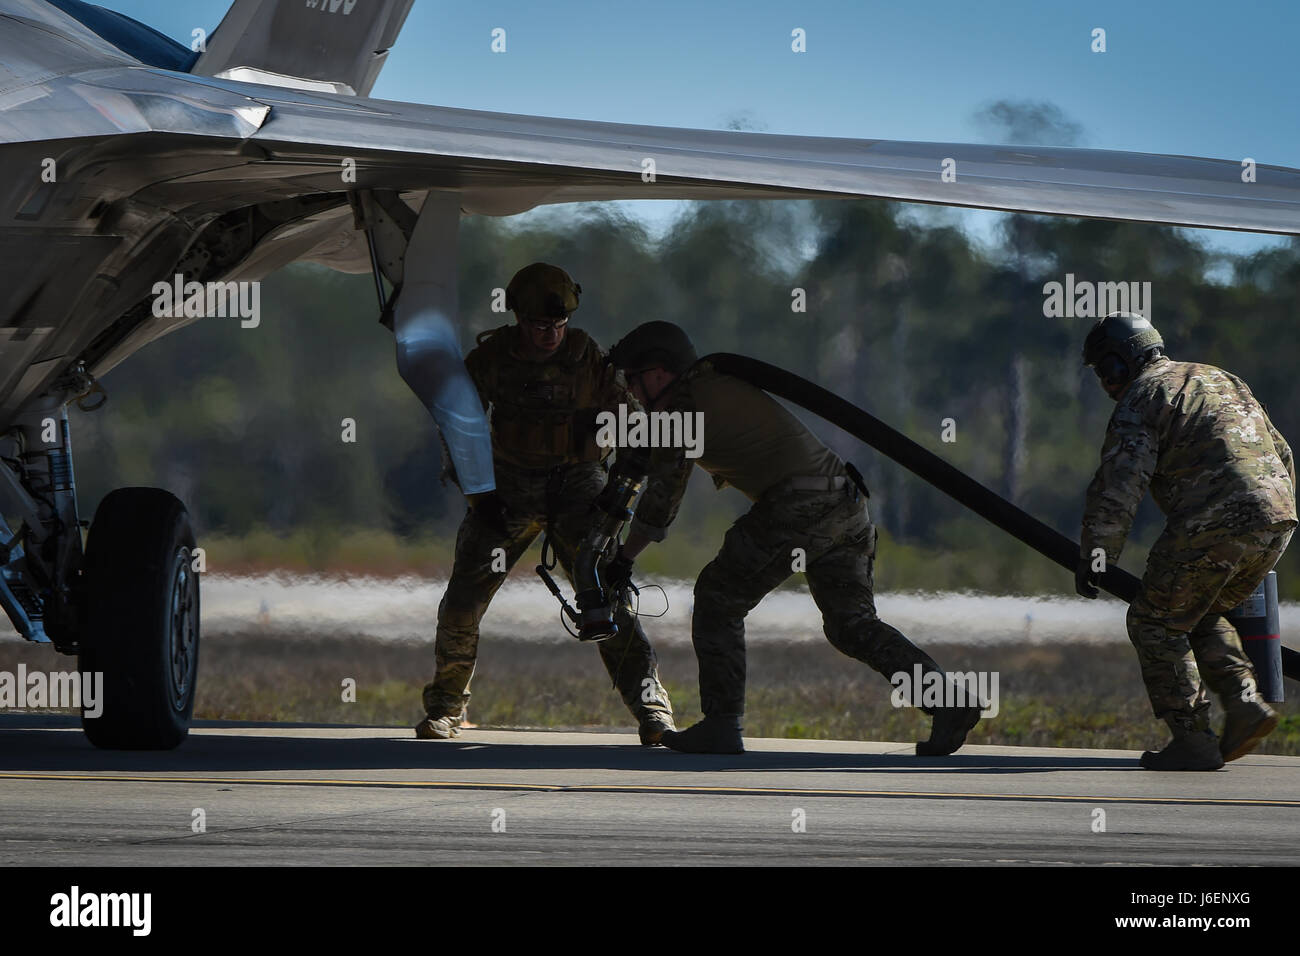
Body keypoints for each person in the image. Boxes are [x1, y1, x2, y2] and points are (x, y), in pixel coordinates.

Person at [606, 320, 983, 754]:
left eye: (634, 382)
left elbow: (660, 504)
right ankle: (949, 702)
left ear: (658, 374)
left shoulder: (684, 408)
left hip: (800, 506)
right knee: (851, 625)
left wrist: (622, 559)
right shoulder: (710, 388)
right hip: (846, 500)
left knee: (717, 598)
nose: (632, 394)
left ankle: (722, 724)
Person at [415, 263, 674, 743]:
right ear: (517, 317)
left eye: (558, 326)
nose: (550, 335)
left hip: (577, 487)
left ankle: (652, 710)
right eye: (538, 326)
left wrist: (620, 488)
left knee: (607, 600)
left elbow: (635, 425)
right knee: (461, 605)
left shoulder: (589, 359)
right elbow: (457, 421)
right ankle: (447, 708)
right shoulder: (493, 359)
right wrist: (478, 492)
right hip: (505, 490)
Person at [1076, 312, 1296, 770]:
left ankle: (1193, 737)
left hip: (1215, 520)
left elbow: (1119, 485)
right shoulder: (1221, 378)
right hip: (1278, 517)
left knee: (1153, 622)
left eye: (1103, 370)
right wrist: (1275, 515)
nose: (1104, 382)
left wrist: (1097, 552)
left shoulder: (1142, 396)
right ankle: (1243, 702)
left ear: (1120, 363)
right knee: (1196, 611)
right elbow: (1283, 452)